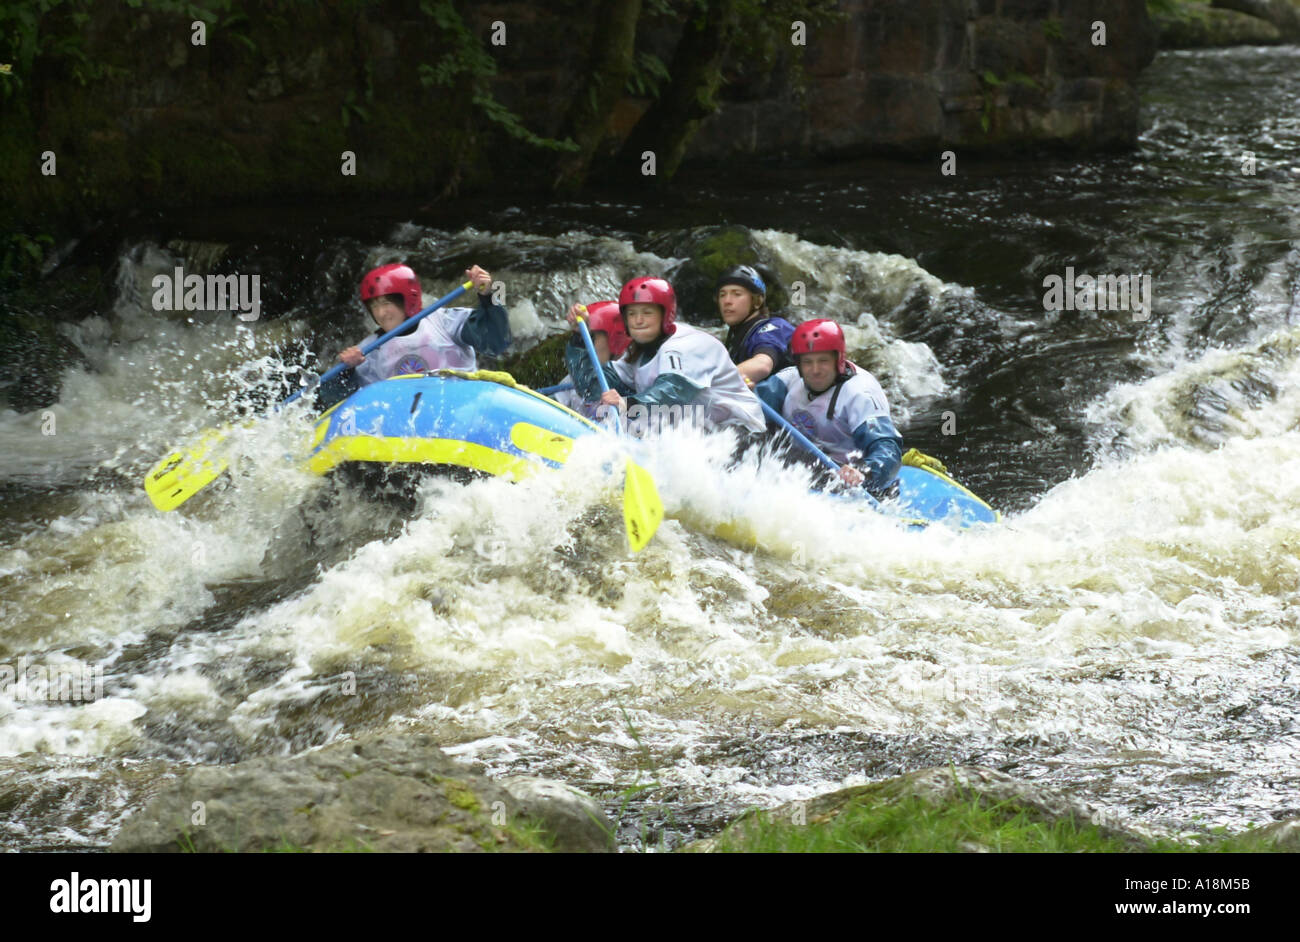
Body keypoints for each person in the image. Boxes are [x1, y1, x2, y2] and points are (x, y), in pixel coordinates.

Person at [565, 276, 766, 437]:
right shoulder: (636, 353)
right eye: (632, 314)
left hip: (739, 434)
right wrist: (580, 338)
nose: (639, 321)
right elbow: (591, 386)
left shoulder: (688, 344)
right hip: (694, 436)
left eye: (647, 313)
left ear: (665, 315)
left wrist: (627, 404)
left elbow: (672, 393)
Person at [319, 262, 510, 407]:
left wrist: (491, 293)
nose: (380, 314)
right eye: (374, 307)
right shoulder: (367, 352)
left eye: (386, 304)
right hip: (407, 426)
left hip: (459, 406)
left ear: (408, 300)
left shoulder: (444, 322)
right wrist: (345, 370)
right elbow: (335, 402)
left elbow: (498, 342)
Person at [754, 317, 903, 498]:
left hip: (841, 477)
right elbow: (747, 410)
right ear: (798, 365)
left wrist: (864, 472)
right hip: (795, 467)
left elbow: (886, 447)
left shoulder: (860, 394)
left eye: (823, 361)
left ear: (838, 360)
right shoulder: (785, 382)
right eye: (808, 362)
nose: (815, 370)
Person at [549, 300, 629, 421]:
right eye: (582, 340)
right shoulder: (573, 379)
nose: (585, 346)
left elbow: (592, 383)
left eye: (591, 338)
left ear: (615, 341)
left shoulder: (626, 380)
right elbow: (548, 408)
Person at [716, 265, 795, 385]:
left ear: (757, 301)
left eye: (736, 294)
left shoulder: (773, 327)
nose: (727, 301)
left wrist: (714, 383)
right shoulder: (735, 338)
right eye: (722, 295)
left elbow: (762, 364)